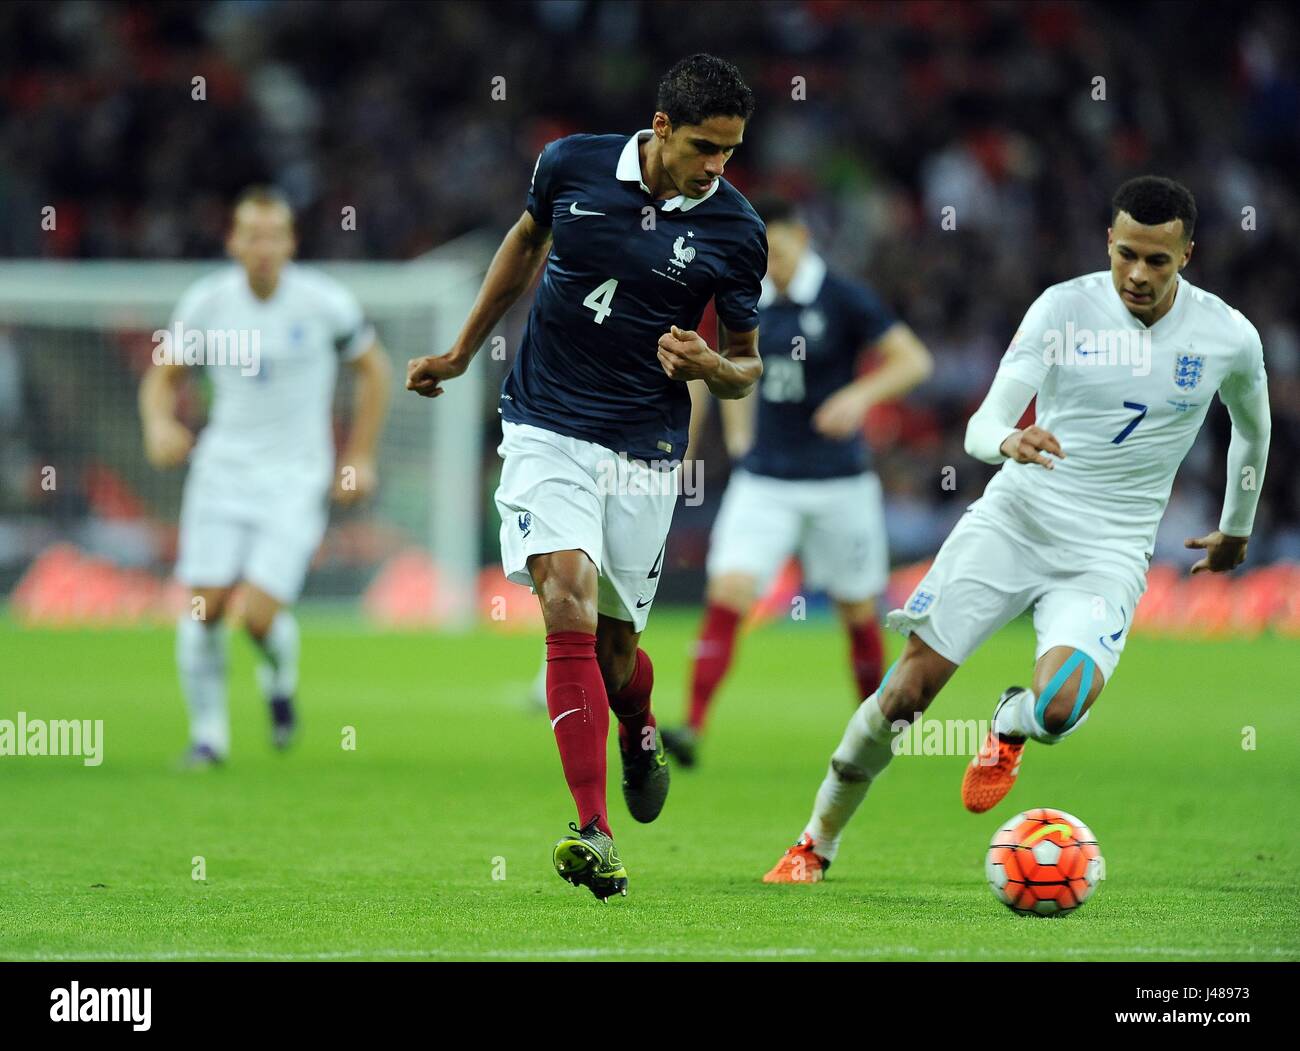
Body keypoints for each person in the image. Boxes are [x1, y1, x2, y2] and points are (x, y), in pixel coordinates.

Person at [763, 175, 1271, 883]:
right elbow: (983, 423)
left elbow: (1254, 427)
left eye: (1158, 260)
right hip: (1017, 519)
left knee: (1059, 709)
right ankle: (815, 841)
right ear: (1109, 242)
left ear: (1188, 253)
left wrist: (1236, 528)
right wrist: (1009, 441)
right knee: (907, 695)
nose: (1138, 274)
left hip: (1109, 550)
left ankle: (1011, 722)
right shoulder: (1064, 309)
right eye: (1127, 254)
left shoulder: (1228, 336)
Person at [406, 54, 767, 900]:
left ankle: (638, 722)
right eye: (706, 148)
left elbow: (749, 366)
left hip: (644, 450)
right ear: (664, 127)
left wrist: (710, 361)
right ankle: (592, 829)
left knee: (615, 659)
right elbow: (526, 242)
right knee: (562, 592)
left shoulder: (736, 230)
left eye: (732, 153)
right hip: (544, 424)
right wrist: (462, 351)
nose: (718, 167)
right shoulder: (569, 165)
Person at [660, 197, 933, 769]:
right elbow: (718, 372)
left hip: (841, 483)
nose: (771, 265)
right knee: (729, 592)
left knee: (858, 610)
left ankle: (876, 732)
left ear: (803, 239)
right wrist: (731, 439)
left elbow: (913, 361)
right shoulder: (744, 297)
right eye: (762, 254)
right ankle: (692, 723)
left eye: (778, 252)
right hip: (766, 482)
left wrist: (858, 397)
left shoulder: (842, 297)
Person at [139, 186, 391, 765]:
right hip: (221, 472)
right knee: (204, 608)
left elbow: (373, 370)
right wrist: (158, 424)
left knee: (255, 615)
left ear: (289, 242)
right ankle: (209, 738)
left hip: (296, 478)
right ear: (233, 240)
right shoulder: (207, 303)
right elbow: (162, 376)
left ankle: (279, 683)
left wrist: (359, 455)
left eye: (273, 235)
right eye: (251, 234)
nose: (262, 246)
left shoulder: (323, 302)